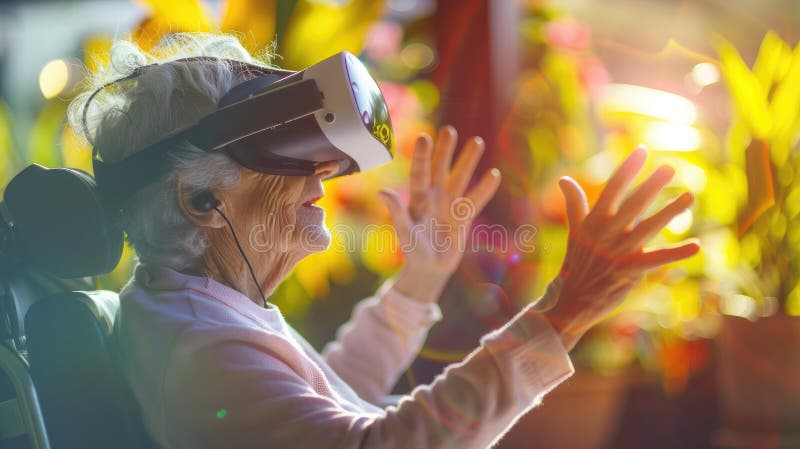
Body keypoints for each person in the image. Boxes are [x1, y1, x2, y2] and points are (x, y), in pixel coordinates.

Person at [69, 33, 699, 449]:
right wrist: (564, 313)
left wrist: (419, 281)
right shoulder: (201, 348)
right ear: (202, 201)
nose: (323, 170)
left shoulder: (193, 310)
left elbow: (330, 403)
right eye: (283, 153)